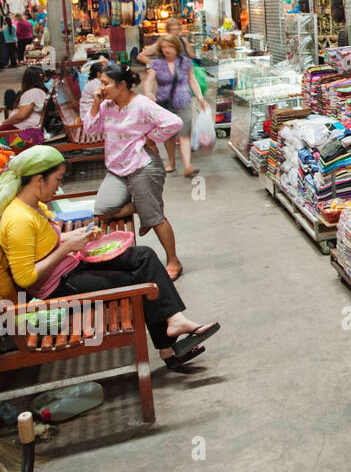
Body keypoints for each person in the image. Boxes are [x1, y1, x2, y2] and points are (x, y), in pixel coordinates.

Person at [0, 146, 219, 368]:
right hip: (58, 287)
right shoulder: (19, 219)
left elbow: (42, 243)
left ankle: (175, 321)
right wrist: (67, 248)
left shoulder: (32, 206)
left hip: (71, 266)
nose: (59, 187)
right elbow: (25, 278)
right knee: (141, 281)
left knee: (144, 256)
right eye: (57, 179)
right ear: (39, 180)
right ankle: (167, 347)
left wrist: (75, 237)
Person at [82, 63, 188, 279]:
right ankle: (140, 204)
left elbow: (174, 122)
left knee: (154, 217)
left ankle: (173, 260)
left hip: (143, 166)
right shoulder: (105, 105)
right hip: (117, 169)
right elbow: (90, 131)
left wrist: (152, 137)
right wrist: (94, 104)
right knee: (102, 210)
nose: (100, 88)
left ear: (122, 85)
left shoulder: (141, 105)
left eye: (105, 83)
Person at [144, 34, 206, 177]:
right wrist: (148, 92)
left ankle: (187, 166)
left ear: (176, 47)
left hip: (184, 102)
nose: (167, 50)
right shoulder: (157, 64)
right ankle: (171, 162)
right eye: (164, 47)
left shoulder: (185, 62)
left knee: (184, 134)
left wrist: (200, 97)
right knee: (169, 136)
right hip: (164, 104)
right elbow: (149, 80)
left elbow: (192, 80)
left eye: (170, 46)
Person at [1, 67, 48, 144]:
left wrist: (6, 122)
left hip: (23, 132)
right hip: (27, 128)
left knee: (2, 138)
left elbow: (21, 116)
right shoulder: (41, 91)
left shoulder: (32, 93)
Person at [79, 57, 108, 125]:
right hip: (88, 116)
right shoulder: (94, 84)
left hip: (91, 111)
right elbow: (104, 98)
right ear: (98, 74)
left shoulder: (97, 82)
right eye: (105, 71)